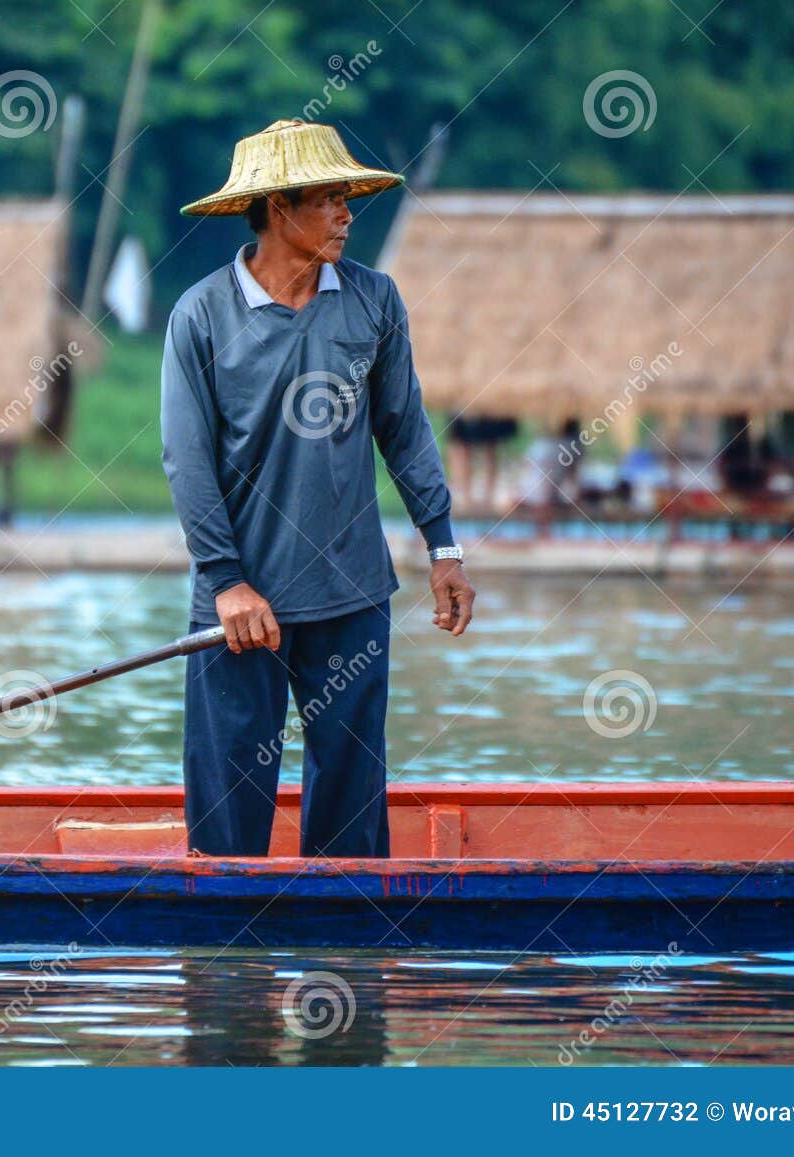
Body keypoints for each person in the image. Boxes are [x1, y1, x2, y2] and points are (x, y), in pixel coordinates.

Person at [163, 119, 475, 859]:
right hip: (242, 606)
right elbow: (187, 460)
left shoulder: (373, 300)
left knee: (351, 804)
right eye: (330, 199)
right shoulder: (201, 314)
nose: (346, 214)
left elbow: (405, 430)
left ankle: (344, 930)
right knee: (228, 801)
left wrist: (444, 548)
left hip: (351, 594)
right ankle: (227, 931)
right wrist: (226, 580)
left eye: (348, 199)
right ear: (278, 208)